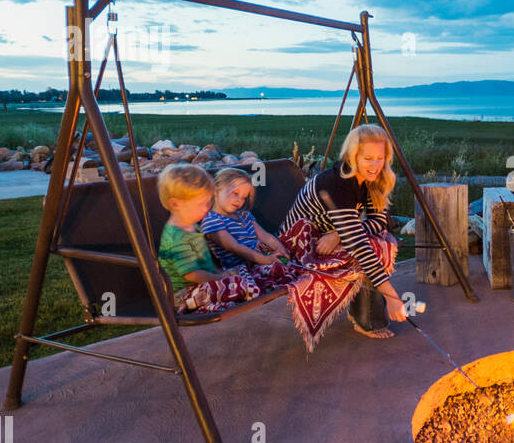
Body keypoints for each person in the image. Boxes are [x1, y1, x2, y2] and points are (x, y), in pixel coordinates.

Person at [279, 124, 407, 342]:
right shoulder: (338, 183)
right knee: (371, 249)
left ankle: (364, 315)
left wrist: (339, 234)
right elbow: (358, 244)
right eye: (368, 158)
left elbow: (379, 222)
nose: (376, 165)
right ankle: (366, 320)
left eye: (380, 158)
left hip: (328, 235)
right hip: (301, 246)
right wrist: (393, 296)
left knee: (381, 241)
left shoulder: (370, 179)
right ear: (352, 155)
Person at [156, 163, 261, 314]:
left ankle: (238, 290)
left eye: (207, 203)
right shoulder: (176, 238)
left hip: (202, 282)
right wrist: (219, 278)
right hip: (182, 293)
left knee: (237, 275)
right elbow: (192, 274)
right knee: (233, 286)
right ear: (176, 204)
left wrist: (222, 273)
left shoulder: (193, 227)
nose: (207, 208)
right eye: (201, 204)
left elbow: (207, 261)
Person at [200, 167, 298, 289]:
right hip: (244, 267)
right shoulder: (212, 221)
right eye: (235, 193)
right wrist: (268, 260)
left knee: (301, 229)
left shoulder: (244, 215)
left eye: (244, 197)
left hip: (265, 256)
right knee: (280, 270)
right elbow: (236, 247)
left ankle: (294, 268)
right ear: (216, 190)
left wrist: (280, 250)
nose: (239, 200)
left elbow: (266, 236)